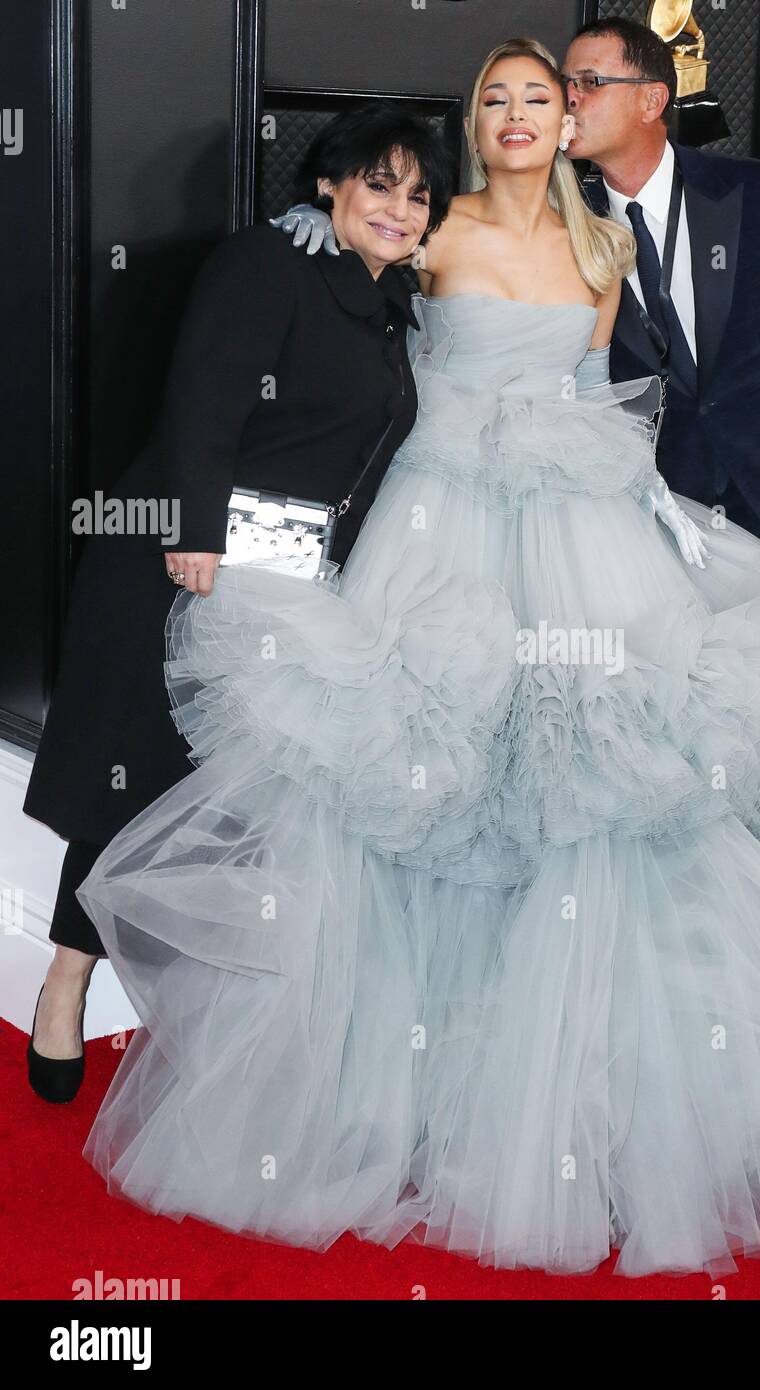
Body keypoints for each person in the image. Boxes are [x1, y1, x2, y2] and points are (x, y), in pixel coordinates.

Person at [74, 38, 760, 1279]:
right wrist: (308, 227)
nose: (524, 116)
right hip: (443, 530)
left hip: (588, 525)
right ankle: (397, 1086)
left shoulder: (601, 246)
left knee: (617, 767)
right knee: (442, 764)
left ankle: (632, 1084)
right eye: (501, 99)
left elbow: (608, 388)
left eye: (544, 97)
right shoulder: (433, 228)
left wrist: (663, 519)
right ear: (475, 123)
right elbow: (351, 277)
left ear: (573, 119)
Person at [21, 104, 452, 1102]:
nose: (397, 207)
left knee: (224, 808)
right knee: (131, 788)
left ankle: (202, 1026)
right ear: (328, 186)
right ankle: (64, 982)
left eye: (417, 194)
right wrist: (195, 535)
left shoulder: (397, 305)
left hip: (288, 587)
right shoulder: (270, 262)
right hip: (183, 567)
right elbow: (203, 397)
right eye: (376, 184)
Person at [277, 19, 760, 557]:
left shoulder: (756, 195)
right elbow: (398, 236)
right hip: (672, 503)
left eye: (588, 83)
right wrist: (327, 215)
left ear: (651, 100)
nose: (569, 99)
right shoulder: (561, 219)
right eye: (563, 86)